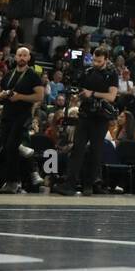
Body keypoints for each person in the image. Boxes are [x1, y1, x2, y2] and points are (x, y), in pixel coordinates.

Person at [53, 47, 118, 197]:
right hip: (85, 114)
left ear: (106, 59)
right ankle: (70, 184)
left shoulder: (111, 74)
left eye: (99, 61)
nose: (96, 63)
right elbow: (80, 86)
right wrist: (81, 95)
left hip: (101, 117)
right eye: (94, 60)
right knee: (77, 149)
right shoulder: (88, 71)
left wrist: (92, 94)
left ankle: (90, 184)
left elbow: (112, 96)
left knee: (95, 152)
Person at [0, 46, 44, 193]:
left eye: (24, 55)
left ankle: (14, 181)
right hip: (7, 114)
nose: (21, 57)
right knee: (9, 148)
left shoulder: (32, 75)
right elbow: (0, 92)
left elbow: (39, 96)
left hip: (22, 115)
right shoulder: (8, 74)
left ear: (28, 58)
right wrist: (1, 96)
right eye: (19, 55)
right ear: (15, 57)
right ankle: (17, 178)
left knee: (11, 146)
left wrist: (20, 97)